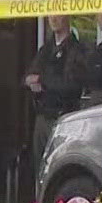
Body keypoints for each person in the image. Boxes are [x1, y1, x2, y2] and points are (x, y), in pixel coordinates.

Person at [24, 14, 88, 165]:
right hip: (41, 116)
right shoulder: (46, 49)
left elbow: (71, 85)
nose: (53, 19)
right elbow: (28, 77)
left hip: (63, 117)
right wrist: (31, 81)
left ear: (67, 17)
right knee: (40, 167)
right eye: (50, 15)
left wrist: (42, 81)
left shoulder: (76, 49)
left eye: (58, 15)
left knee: (59, 163)